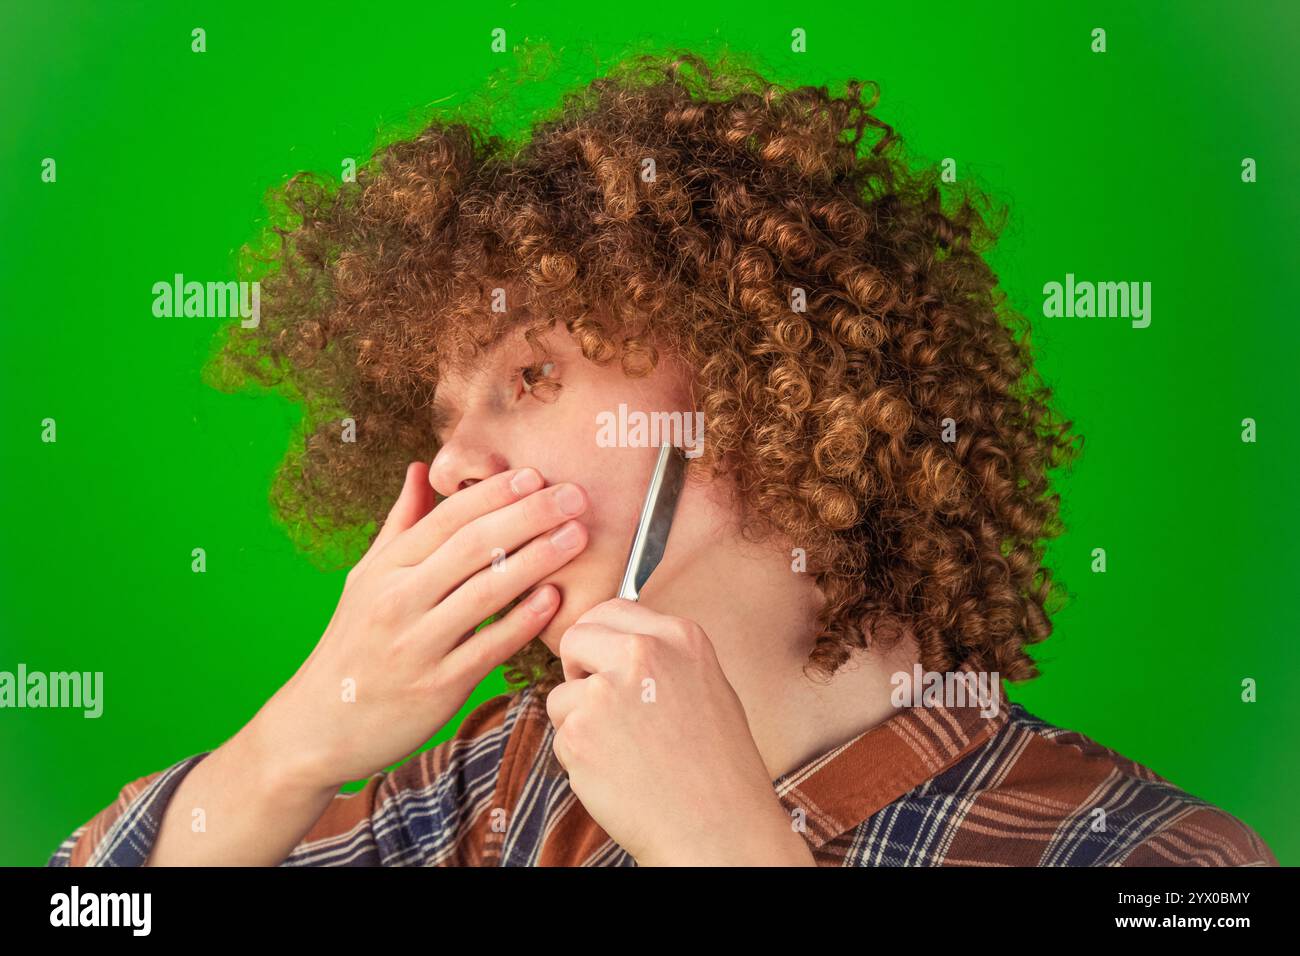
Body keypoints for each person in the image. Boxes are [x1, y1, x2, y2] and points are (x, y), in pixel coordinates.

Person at [49, 50, 1277, 867]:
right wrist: (294, 744)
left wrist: (730, 846)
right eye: (439, 415)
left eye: (529, 376)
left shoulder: (1147, 852)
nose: (454, 465)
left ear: (759, 367)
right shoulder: (500, 780)